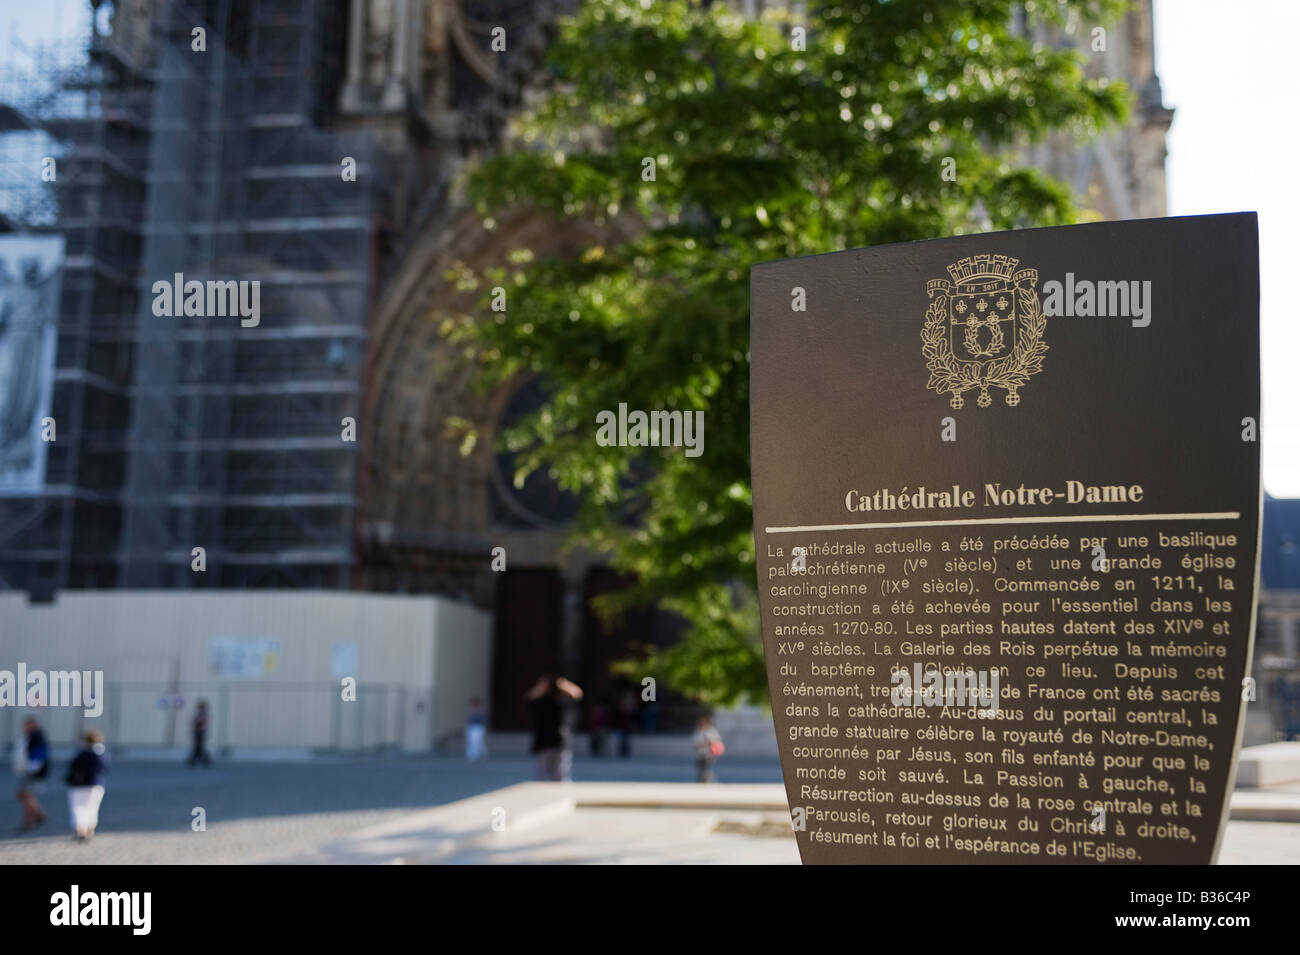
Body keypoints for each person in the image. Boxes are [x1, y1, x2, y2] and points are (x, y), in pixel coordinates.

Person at [525, 675, 582, 782]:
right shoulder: (539, 702)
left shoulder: (561, 701)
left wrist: (564, 685)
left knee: (560, 776)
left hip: (559, 741)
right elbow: (529, 698)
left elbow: (577, 695)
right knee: (542, 776)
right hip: (543, 742)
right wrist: (543, 686)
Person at [65, 730, 109, 842]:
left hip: (80, 785)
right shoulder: (103, 753)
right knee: (92, 808)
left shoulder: (84, 754)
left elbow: (73, 766)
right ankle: (90, 830)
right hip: (97, 785)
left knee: (78, 808)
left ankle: (81, 830)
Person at [15, 716, 49, 832]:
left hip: (33, 771)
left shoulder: (36, 736)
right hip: (28, 770)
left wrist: (32, 769)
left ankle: (38, 814)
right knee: (27, 796)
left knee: (26, 794)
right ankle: (30, 821)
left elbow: (39, 755)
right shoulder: (30, 736)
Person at [692, 714, 724, 783]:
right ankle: (703, 779)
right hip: (700, 752)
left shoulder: (710, 731)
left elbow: (715, 740)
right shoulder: (698, 731)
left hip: (708, 753)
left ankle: (708, 779)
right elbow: (695, 741)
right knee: (701, 766)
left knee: (706, 767)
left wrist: (705, 743)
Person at [187, 699, 212, 767]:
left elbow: (201, 722)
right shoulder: (200, 713)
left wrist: (197, 724)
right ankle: (205, 760)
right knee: (199, 747)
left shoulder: (203, 714)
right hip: (198, 732)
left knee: (198, 747)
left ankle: (194, 761)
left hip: (200, 732)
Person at [465, 697, 488, 762]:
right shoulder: (471, 710)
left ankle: (478, 754)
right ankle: (472, 754)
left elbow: (482, 719)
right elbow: (469, 720)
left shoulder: (480, 711)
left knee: (478, 741)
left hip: (478, 727)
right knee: (471, 741)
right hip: (472, 727)